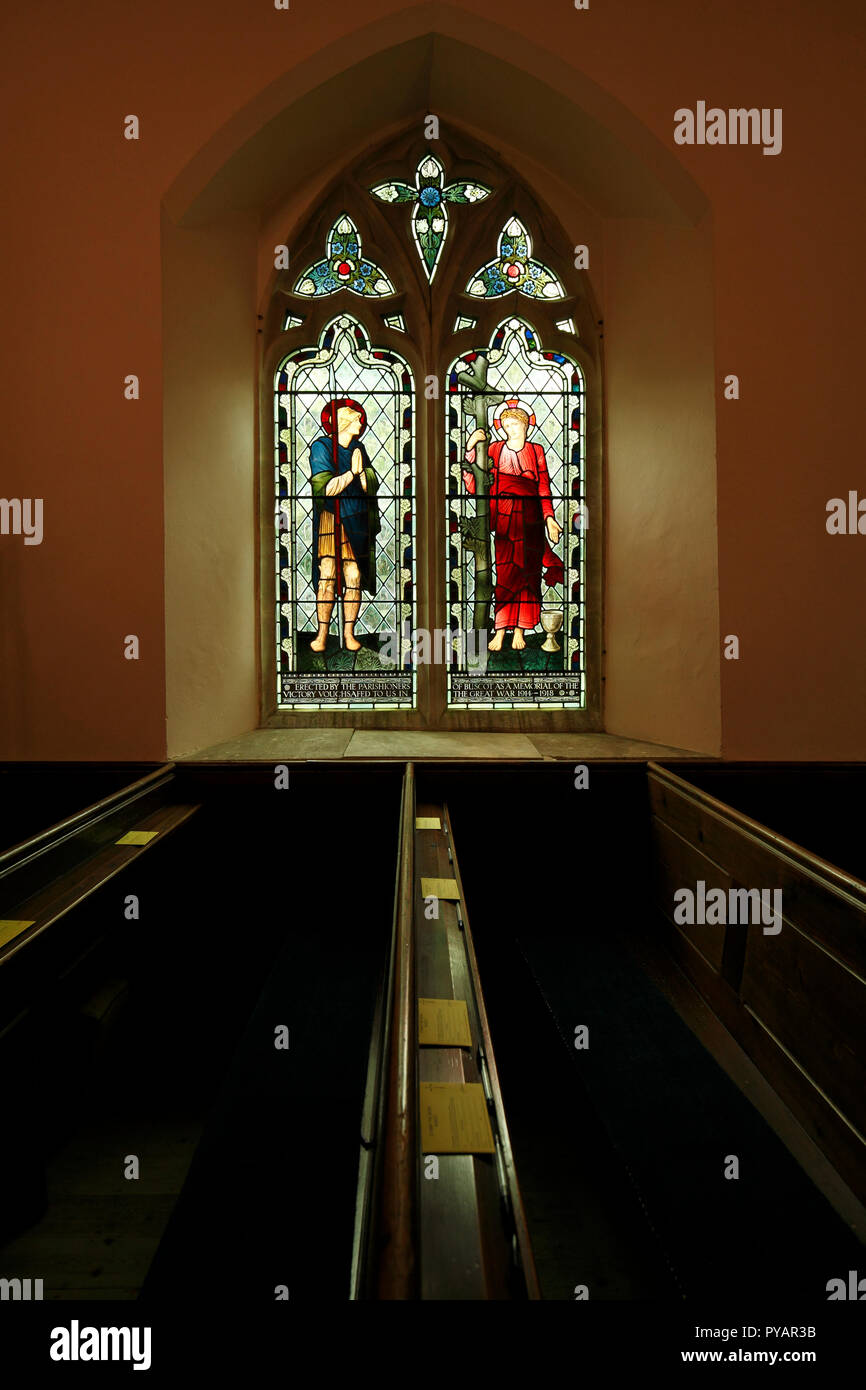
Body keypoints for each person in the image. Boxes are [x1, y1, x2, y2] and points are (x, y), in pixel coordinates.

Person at [464, 401, 563, 650]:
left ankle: (520, 629)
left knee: (529, 574)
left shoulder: (536, 450)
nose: (511, 429)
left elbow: (543, 487)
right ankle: (500, 629)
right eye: (506, 425)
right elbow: (477, 472)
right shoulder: (495, 448)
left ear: (526, 424)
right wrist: (470, 444)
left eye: (515, 424)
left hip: (531, 519)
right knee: (506, 574)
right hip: (506, 519)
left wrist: (549, 518)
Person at [309, 398, 380, 652]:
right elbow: (325, 489)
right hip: (332, 517)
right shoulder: (322, 447)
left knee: (354, 576)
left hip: (357, 517)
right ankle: (322, 635)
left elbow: (370, 486)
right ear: (343, 423)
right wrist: (351, 473)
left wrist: (361, 473)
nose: (361, 421)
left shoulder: (359, 448)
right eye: (356, 418)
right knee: (327, 575)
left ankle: (349, 634)